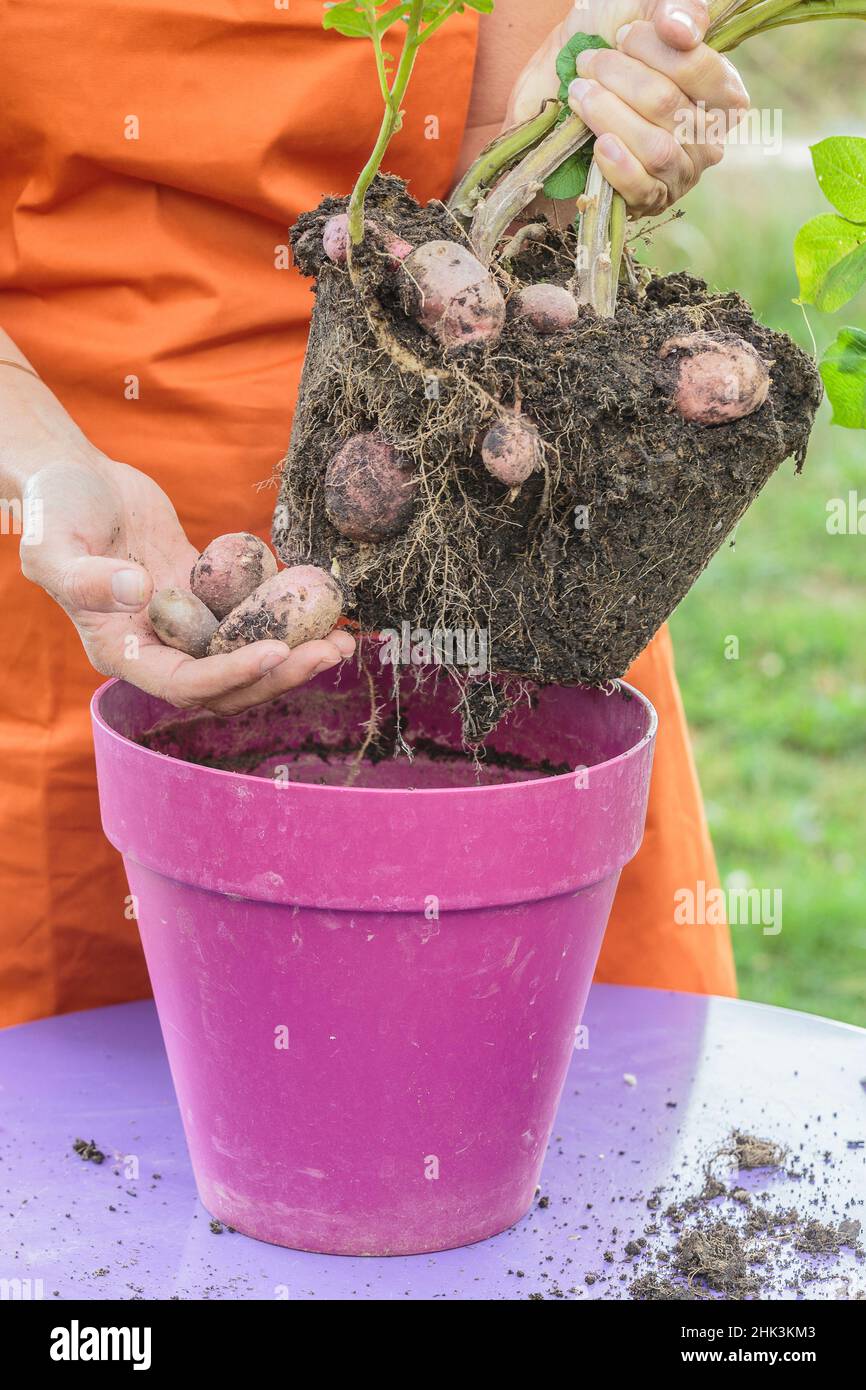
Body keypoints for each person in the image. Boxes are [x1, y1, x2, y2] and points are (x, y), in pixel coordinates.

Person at [0, 0, 746, 1027]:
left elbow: (520, 167)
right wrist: (40, 457)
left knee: (540, 1057)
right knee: (88, 1081)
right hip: (80, 538)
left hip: (501, 534)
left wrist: (610, 111)